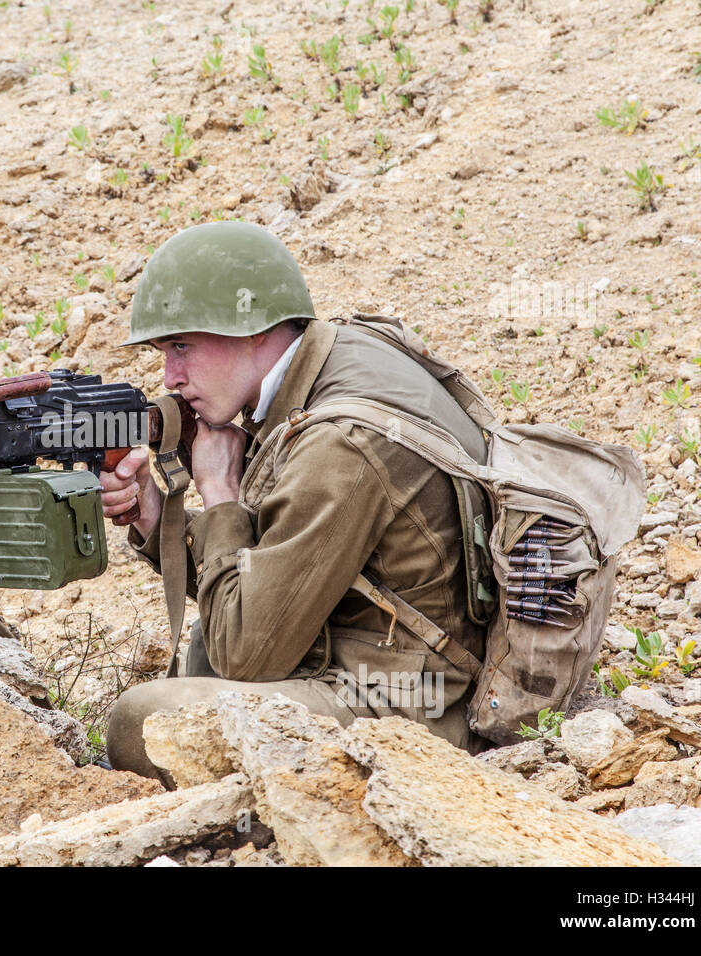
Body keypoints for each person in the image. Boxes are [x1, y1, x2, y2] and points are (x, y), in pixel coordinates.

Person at [100, 221, 493, 786]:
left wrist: (218, 493)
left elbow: (249, 654)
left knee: (141, 719)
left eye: (182, 346)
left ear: (254, 328)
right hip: (386, 655)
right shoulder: (333, 360)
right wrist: (158, 518)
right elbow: (271, 565)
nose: (170, 376)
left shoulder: (339, 443)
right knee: (208, 642)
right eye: (165, 352)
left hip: (416, 709)